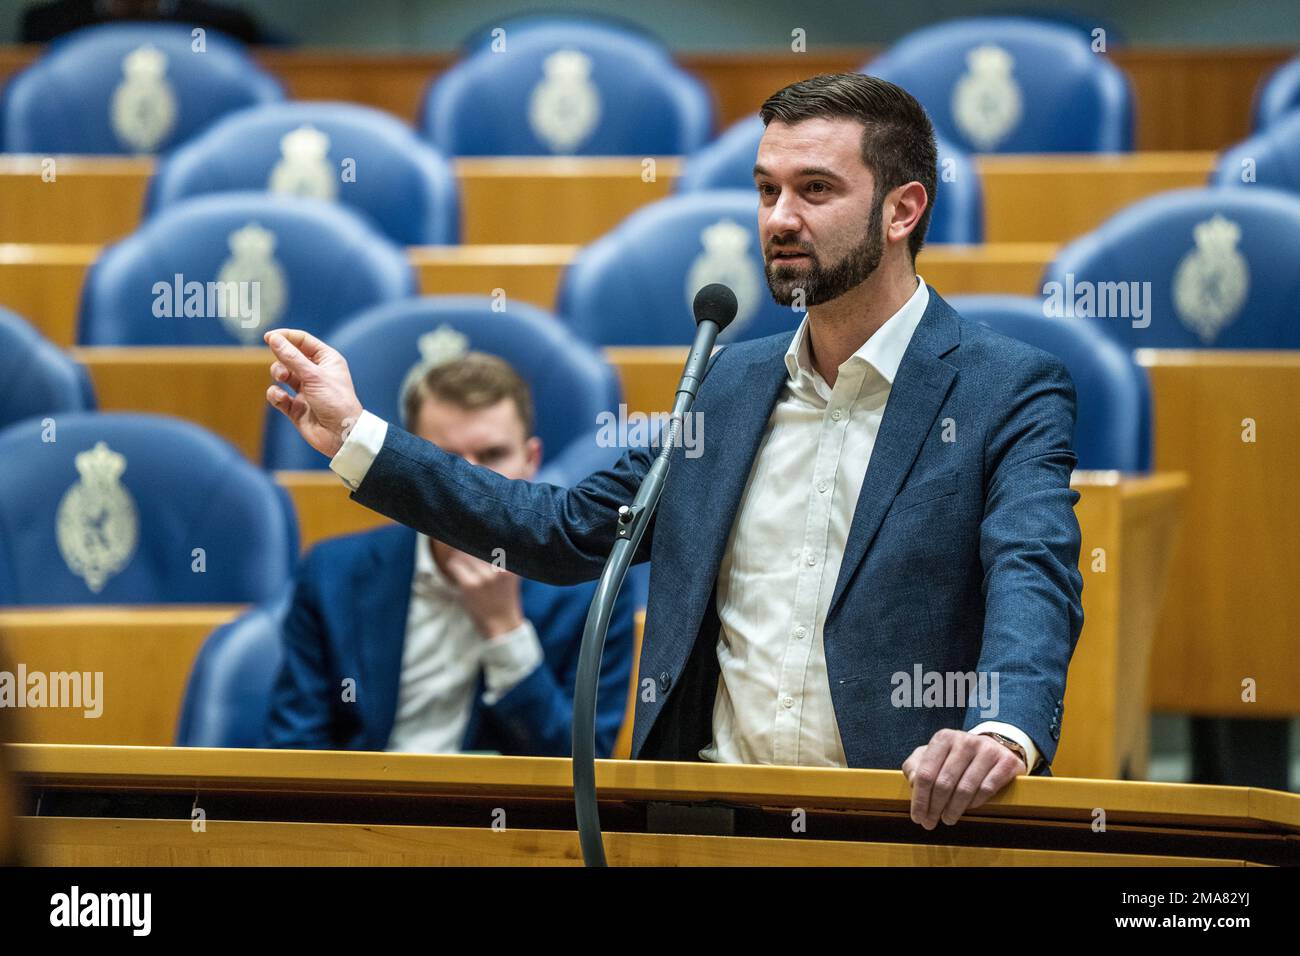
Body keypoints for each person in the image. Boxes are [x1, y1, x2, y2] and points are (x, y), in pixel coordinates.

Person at [264, 73, 1084, 830]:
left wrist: (1004, 727)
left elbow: (1032, 569)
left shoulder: (1004, 391)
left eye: (816, 190)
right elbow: (559, 529)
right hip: (711, 822)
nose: (779, 219)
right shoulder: (730, 385)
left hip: (893, 819)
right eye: (766, 191)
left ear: (903, 211)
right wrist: (359, 435)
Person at [263, 352, 635, 757]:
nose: (471, 480)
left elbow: (584, 766)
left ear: (531, 460)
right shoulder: (331, 573)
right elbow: (294, 754)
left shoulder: (595, 589)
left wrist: (505, 634)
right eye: (447, 460)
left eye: (493, 455)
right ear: (412, 465)